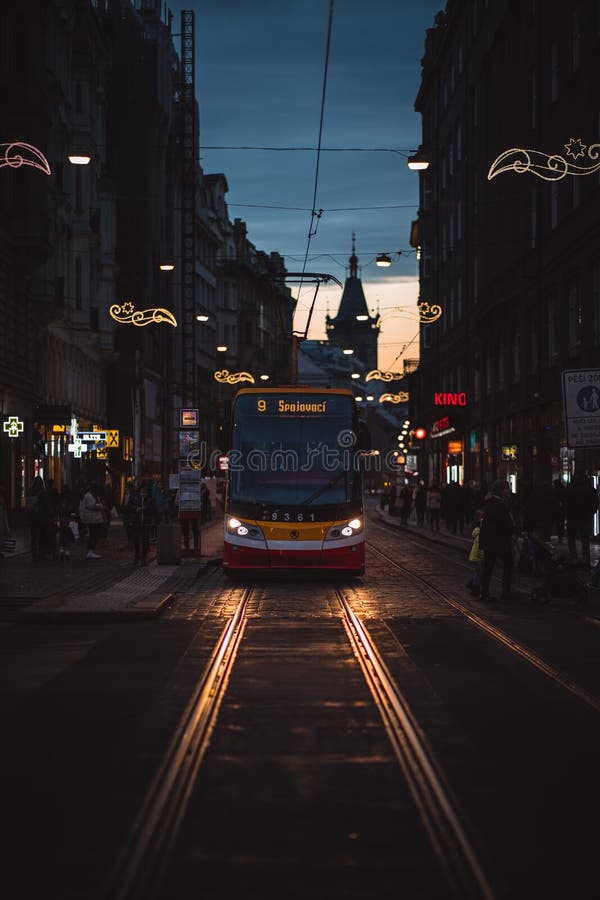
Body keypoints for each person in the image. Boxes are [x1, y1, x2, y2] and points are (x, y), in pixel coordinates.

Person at [478, 478, 516, 602]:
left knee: (491, 566)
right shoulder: (495, 502)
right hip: (496, 539)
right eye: (506, 489)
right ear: (501, 490)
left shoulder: (495, 501)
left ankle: (489, 591)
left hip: (495, 539)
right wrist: (513, 529)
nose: (508, 491)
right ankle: (500, 592)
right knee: (502, 564)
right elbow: (501, 520)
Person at [564, 470, 599, 569]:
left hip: (572, 517)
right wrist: (590, 513)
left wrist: (567, 513)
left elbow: (565, 502)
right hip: (584, 517)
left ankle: (574, 558)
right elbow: (595, 502)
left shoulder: (571, 487)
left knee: (571, 538)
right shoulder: (589, 488)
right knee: (585, 539)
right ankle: (586, 560)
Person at [127, 480, 156, 565]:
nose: (144, 492)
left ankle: (143, 559)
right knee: (136, 541)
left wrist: (146, 508)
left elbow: (153, 509)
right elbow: (129, 506)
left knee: (144, 542)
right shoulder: (135, 498)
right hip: (136, 522)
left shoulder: (150, 499)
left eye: (145, 490)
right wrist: (136, 508)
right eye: (142, 490)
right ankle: (137, 557)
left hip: (146, 523)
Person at [25, 475, 52, 559]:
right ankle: (41, 553)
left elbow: (27, 503)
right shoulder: (42, 492)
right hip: (40, 516)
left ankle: (34, 553)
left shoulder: (29, 491)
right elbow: (46, 505)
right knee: (41, 535)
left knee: (33, 536)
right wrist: (50, 514)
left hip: (32, 516)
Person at [79, 481, 105, 559]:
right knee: (94, 534)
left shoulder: (92, 495)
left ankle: (91, 550)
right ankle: (90, 550)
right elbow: (91, 505)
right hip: (92, 518)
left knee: (95, 534)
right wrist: (100, 506)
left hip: (94, 518)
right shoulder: (89, 496)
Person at [466, 509, 484, 595]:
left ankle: (471, 583)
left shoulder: (476, 530)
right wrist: (482, 556)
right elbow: (479, 547)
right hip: (477, 556)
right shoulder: (480, 532)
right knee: (479, 572)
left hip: (474, 556)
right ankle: (475, 587)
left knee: (478, 571)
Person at [57, 485, 74, 561]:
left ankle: (61, 550)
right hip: (66, 517)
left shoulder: (60, 497)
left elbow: (58, 507)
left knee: (62, 534)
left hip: (62, 517)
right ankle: (66, 551)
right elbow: (71, 507)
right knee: (67, 533)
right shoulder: (69, 497)